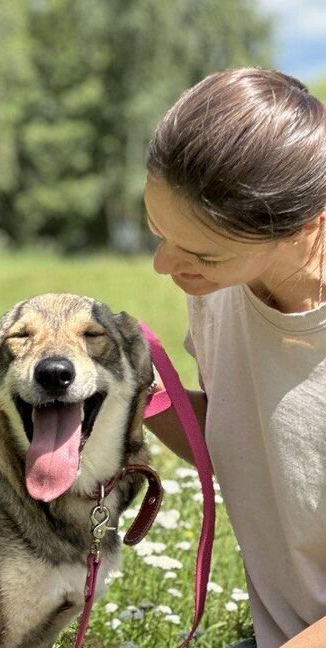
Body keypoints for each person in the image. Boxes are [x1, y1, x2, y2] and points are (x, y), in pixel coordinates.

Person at [142, 67, 326, 648]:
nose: (164, 266)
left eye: (201, 253)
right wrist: (126, 395)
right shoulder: (215, 290)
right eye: (157, 231)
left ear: (304, 229)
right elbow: (244, 434)